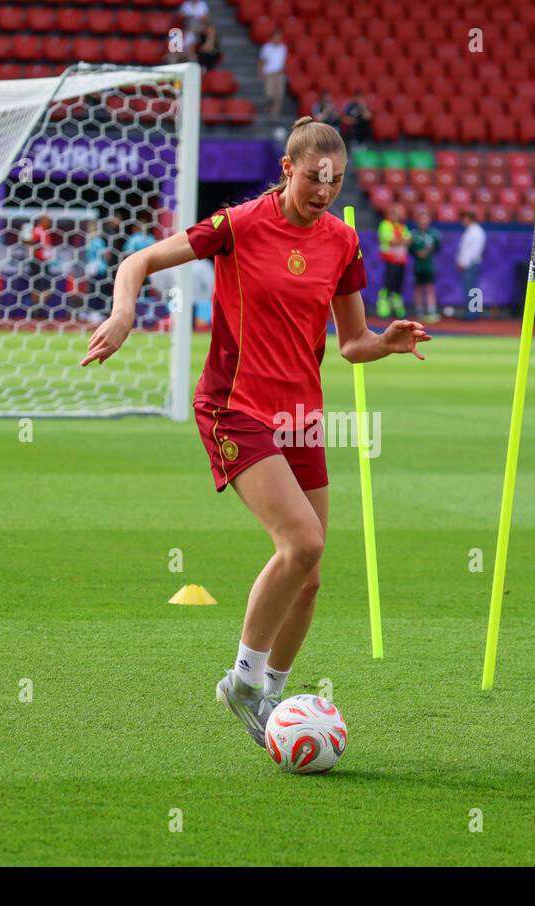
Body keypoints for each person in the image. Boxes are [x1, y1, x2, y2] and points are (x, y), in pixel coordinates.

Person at [81, 117, 428, 745]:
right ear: (287, 170)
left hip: (301, 417)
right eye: (315, 179)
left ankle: (267, 698)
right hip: (234, 407)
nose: (325, 191)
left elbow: (350, 342)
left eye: (337, 181)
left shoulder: (342, 242)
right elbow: (140, 259)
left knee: (311, 572)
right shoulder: (239, 224)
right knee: (302, 542)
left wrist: (386, 343)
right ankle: (241, 681)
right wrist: (124, 310)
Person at [376, 204, 410, 319]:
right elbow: (391, 242)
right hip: (389, 260)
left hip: (401, 261)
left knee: (398, 286)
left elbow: (409, 240)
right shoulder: (385, 225)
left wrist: (399, 240)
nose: (398, 215)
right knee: (388, 284)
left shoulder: (401, 226)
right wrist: (402, 240)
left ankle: (397, 309)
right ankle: (383, 308)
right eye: (395, 213)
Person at [408, 207, 440, 323]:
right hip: (418, 266)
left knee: (430, 288)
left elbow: (437, 247)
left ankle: (431, 311)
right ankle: (419, 311)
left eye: (425, 219)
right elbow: (409, 249)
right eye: (421, 219)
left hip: (429, 266)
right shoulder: (413, 234)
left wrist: (428, 252)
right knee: (418, 288)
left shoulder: (433, 234)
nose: (423, 222)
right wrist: (417, 253)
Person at [455, 209, 486, 321]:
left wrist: (465, 263)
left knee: (472, 289)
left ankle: (472, 314)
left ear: (469, 219)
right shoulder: (471, 230)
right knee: (470, 289)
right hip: (469, 263)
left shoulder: (476, 231)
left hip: (471, 264)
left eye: (465, 218)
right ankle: (471, 313)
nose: (463, 221)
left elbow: (475, 250)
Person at [258, 31, 287, 119]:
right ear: (272, 38)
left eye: (278, 37)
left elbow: (283, 62)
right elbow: (261, 61)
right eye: (275, 37)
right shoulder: (267, 47)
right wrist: (260, 72)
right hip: (269, 73)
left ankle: (274, 115)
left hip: (279, 74)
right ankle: (268, 108)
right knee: (269, 95)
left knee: (279, 96)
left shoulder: (283, 48)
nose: (277, 39)